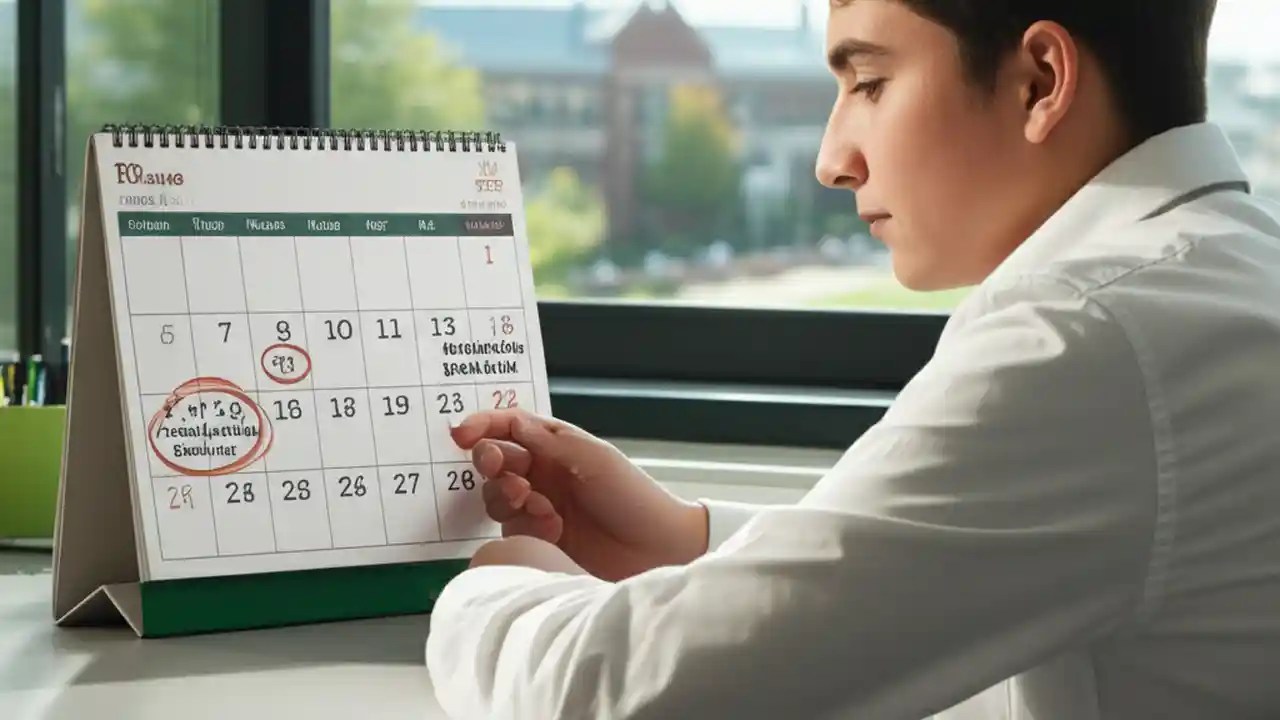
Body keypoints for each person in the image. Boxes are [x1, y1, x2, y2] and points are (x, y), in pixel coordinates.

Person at [425, 0, 1280, 717]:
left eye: (870, 82)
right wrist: (689, 543)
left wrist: (496, 586)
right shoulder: (1224, 278)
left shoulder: (1084, 335)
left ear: (1040, 82)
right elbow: (1000, 612)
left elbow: (613, 698)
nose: (833, 162)